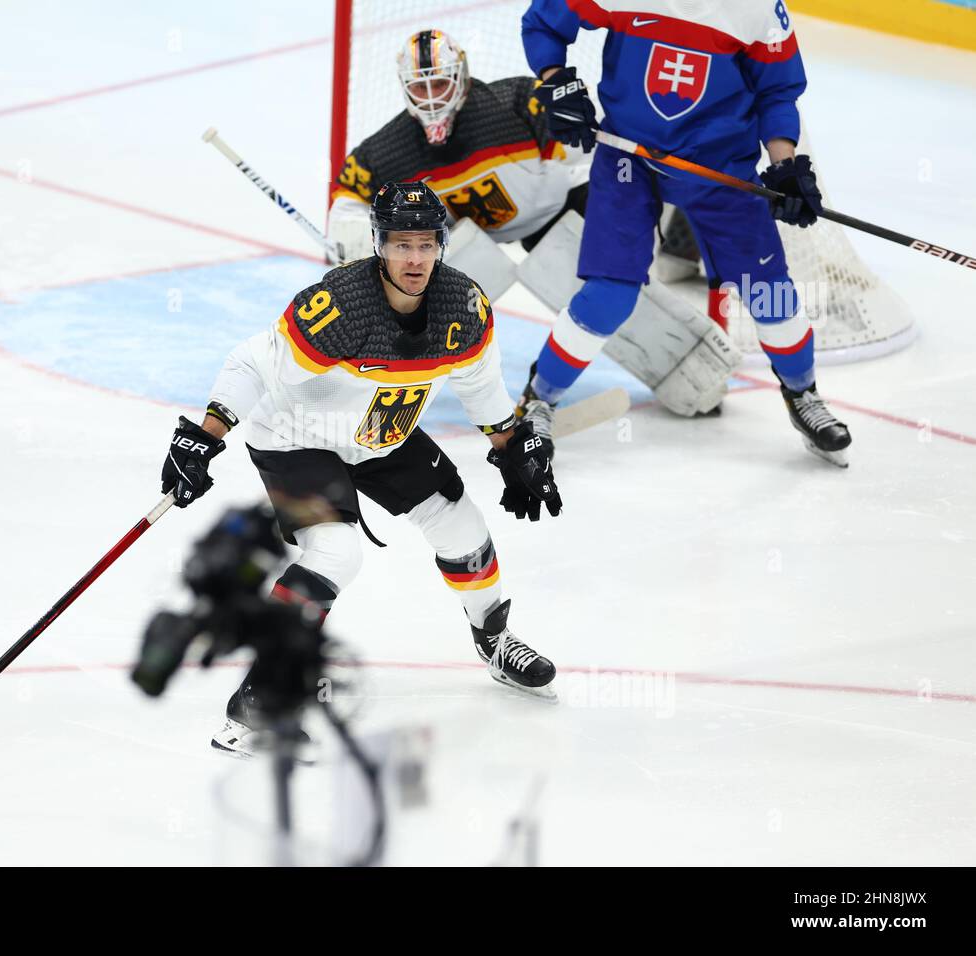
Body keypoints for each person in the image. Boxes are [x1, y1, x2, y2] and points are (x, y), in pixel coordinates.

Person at [159, 182, 563, 757]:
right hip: (299, 436)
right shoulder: (339, 308)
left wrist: (511, 447)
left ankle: (494, 641)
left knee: (461, 525)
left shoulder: (464, 308)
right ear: (379, 244)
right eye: (403, 244)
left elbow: (481, 387)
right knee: (335, 553)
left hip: (381, 431)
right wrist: (202, 438)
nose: (416, 259)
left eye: (427, 244)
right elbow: (252, 360)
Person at [328, 28, 738, 421]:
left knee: (598, 280)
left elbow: (587, 158)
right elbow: (348, 198)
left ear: (463, 77)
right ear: (405, 89)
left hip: (552, 212)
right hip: (459, 241)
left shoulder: (517, 102)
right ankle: (385, 378)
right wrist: (350, 238)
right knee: (417, 281)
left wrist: (610, 224)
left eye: (441, 84)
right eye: (421, 87)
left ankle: (693, 375)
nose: (432, 98)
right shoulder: (386, 151)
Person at [521, 0, 852, 466]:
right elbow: (543, 21)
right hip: (628, 158)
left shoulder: (755, 8)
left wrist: (785, 166)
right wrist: (554, 82)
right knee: (609, 294)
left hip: (720, 168)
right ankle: (538, 398)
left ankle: (803, 395)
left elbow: (777, 93)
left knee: (769, 294)